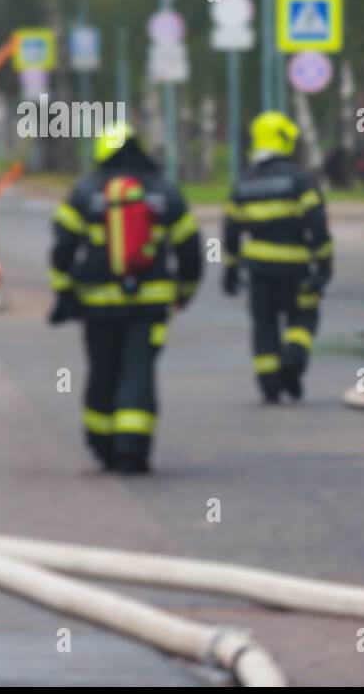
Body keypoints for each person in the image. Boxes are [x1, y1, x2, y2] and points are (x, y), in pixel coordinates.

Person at [47, 122, 201, 474]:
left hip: (98, 304)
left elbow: (63, 248)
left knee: (103, 369)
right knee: (138, 369)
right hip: (150, 304)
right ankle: (133, 446)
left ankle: (102, 442)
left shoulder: (86, 190)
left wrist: (65, 291)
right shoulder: (163, 190)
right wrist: (184, 292)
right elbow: (190, 248)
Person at [223, 111, 333, 403]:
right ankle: (293, 360)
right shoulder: (300, 179)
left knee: (264, 323)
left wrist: (231, 269)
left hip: (259, 268)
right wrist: (324, 263)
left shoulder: (244, 182)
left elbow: (231, 228)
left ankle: (269, 383)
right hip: (297, 266)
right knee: (304, 315)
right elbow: (318, 224)